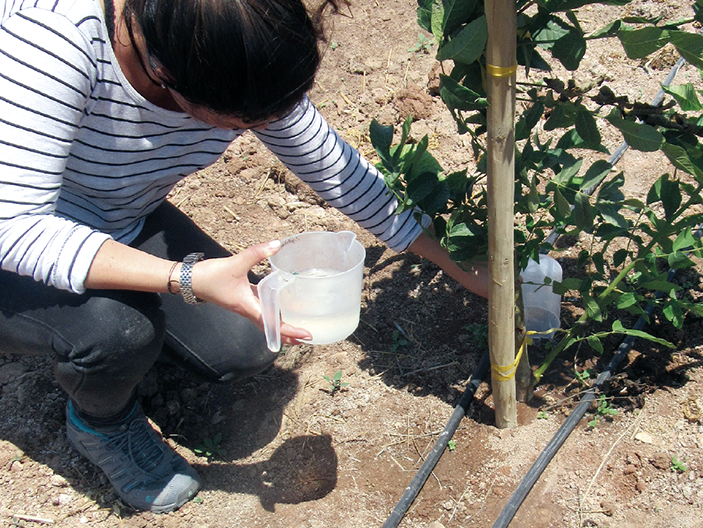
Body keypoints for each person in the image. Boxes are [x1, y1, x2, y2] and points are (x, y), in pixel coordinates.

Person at [0, 0, 486, 514]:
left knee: (252, 337)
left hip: (117, 217)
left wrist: (459, 265)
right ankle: (101, 422)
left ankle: (129, 348)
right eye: (236, 123)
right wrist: (182, 277)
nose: (249, 131)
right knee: (118, 333)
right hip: (14, 236)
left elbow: (333, 168)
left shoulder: (233, 38)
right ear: (165, 74)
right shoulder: (58, 40)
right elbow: (14, 228)